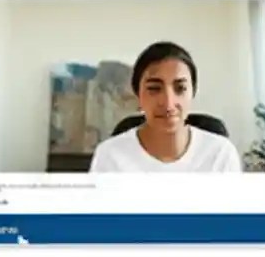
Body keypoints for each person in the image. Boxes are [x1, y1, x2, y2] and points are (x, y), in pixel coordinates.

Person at [89, 41, 242, 173]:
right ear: (138, 95)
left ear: (193, 93)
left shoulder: (220, 154)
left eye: (180, 89)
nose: (169, 104)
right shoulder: (109, 156)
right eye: (154, 89)